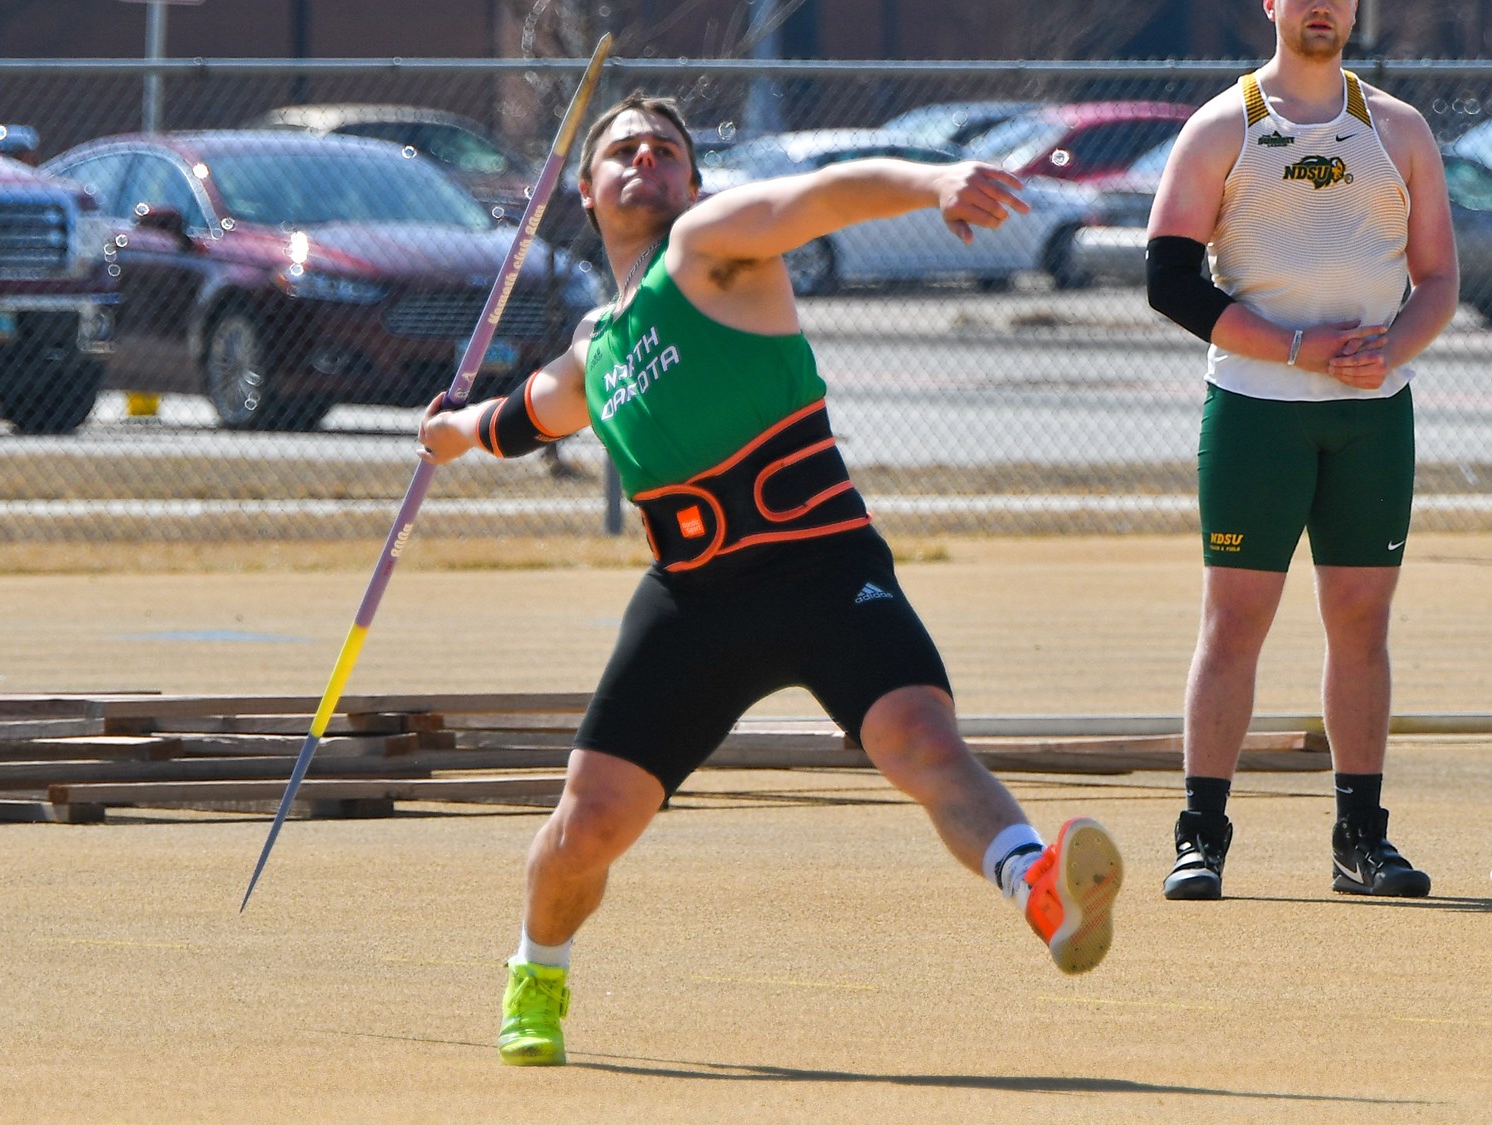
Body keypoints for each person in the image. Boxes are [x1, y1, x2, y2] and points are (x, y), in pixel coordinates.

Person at [417, 93, 1124, 1066]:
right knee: (588, 827)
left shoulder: (711, 246)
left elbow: (827, 195)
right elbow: (520, 416)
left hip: (824, 568)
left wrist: (934, 183)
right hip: (696, 604)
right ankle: (537, 970)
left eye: (664, 149)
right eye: (621, 150)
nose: (644, 161)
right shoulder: (595, 352)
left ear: (691, 180)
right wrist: (446, 433)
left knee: (919, 739)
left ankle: (1038, 887)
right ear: (585, 188)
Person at [1142, 0, 1457, 900]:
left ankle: (1360, 838)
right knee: (1235, 621)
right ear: (1271, 5)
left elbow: (1437, 280)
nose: (1323, 5)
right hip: (1256, 413)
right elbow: (1168, 279)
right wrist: (1292, 347)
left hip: (1371, 416)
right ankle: (1200, 833)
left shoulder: (1397, 128)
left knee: (1361, 620)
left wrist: (1389, 350)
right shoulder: (1221, 126)